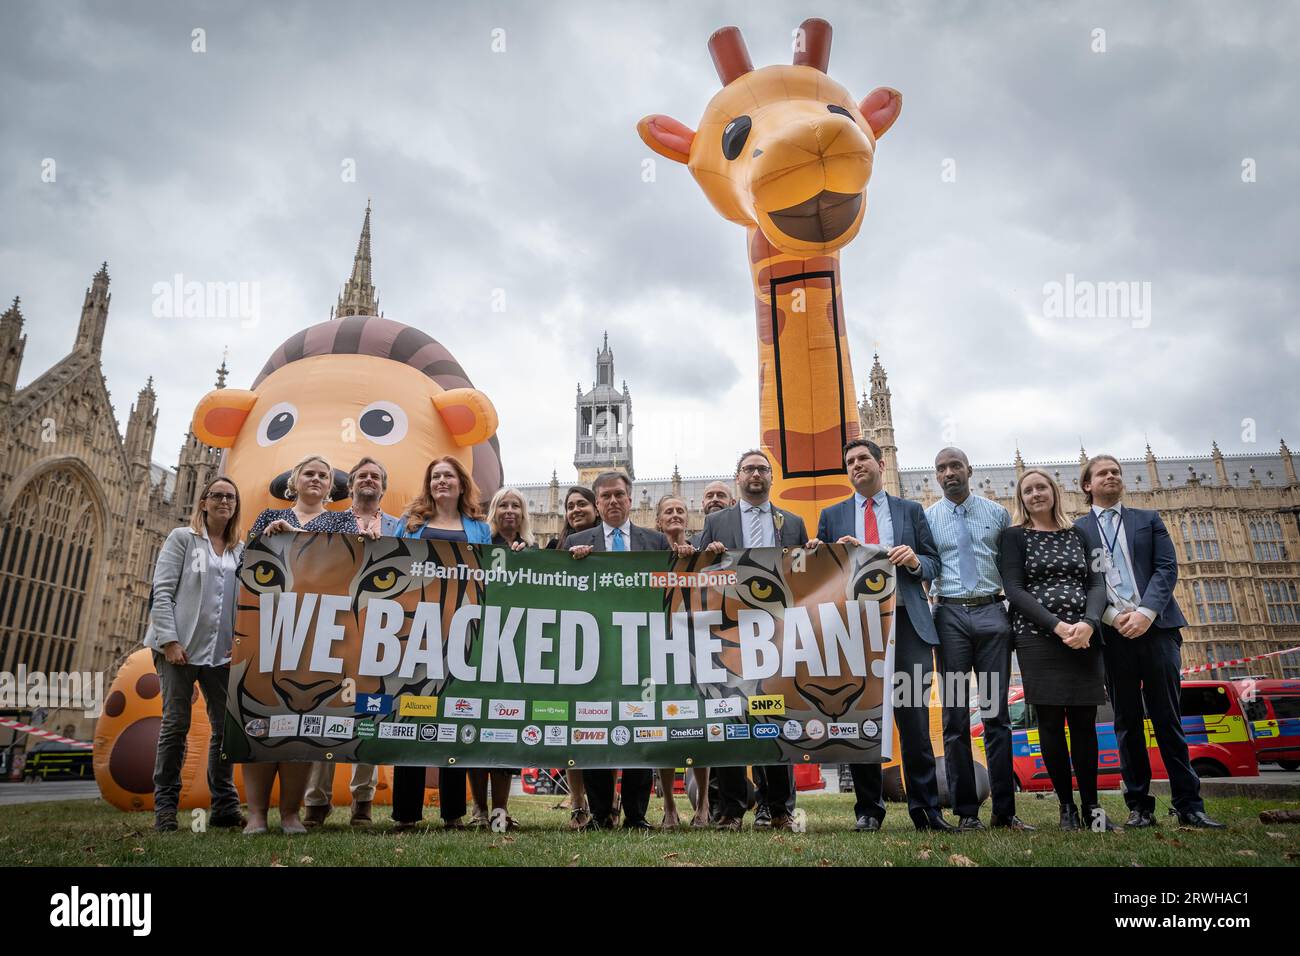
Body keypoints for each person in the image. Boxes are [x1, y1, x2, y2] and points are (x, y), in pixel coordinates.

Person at [809, 439, 952, 832]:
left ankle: (925, 809)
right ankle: (869, 810)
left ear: (880, 462)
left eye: (863, 459)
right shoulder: (833, 515)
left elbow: (933, 563)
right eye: (850, 461)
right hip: (856, 628)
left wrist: (914, 560)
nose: (856, 466)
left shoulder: (910, 509)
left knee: (914, 719)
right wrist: (819, 551)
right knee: (860, 717)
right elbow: (822, 571)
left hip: (906, 623)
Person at [1075, 455, 1225, 829]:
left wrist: (1145, 613)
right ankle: (1140, 806)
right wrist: (1112, 617)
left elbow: (1166, 568)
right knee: (1127, 722)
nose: (1112, 476)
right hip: (1112, 634)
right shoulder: (1077, 530)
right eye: (1102, 473)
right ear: (1086, 485)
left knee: (1168, 719)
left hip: (1156, 629)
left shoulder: (1148, 519)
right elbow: (1081, 584)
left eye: (1116, 471)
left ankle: (1189, 804)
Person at [243, 454, 358, 834]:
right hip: (269, 628)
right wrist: (266, 538)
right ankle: (257, 815)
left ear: (331, 485)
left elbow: (353, 562)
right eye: (309, 473)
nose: (316, 479)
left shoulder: (342, 521)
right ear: (294, 481)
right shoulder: (268, 517)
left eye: (323, 475)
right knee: (262, 720)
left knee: (302, 727)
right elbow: (248, 563)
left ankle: (290, 813)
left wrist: (367, 540)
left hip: (317, 632)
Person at [697, 451, 809, 831]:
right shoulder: (715, 522)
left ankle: (776, 807)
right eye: (749, 469)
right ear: (738, 477)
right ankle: (729, 810)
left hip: (777, 633)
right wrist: (706, 556)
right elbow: (700, 575)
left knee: (773, 716)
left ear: (771, 478)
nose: (756, 474)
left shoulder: (792, 523)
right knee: (730, 718)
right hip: (729, 633)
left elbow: (807, 578)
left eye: (763, 469)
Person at [924, 447, 1030, 831]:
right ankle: (967, 813)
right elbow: (924, 569)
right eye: (942, 469)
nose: (949, 473)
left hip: (990, 613)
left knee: (996, 716)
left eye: (955, 466)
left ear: (969, 469)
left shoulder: (997, 513)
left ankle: (1005, 811)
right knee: (954, 718)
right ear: (936, 476)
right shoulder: (928, 517)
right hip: (949, 615)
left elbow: (1012, 570)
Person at [1000, 469, 1112, 831]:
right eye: (1028, 490)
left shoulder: (1083, 534)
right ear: (1022, 498)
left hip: (1083, 636)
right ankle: (1067, 808)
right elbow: (1014, 589)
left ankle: (1093, 808)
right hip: (1037, 637)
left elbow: (1098, 581)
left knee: (1084, 724)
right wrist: (1057, 625)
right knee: (1049, 723)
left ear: (1054, 492)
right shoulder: (1013, 537)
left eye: (1041, 487)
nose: (1036, 494)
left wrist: (1089, 624)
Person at [391, 455, 493, 831]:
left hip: (461, 628)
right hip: (415, 628)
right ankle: (406, 813)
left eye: (448, 476)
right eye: (435, 477)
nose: (442, 482)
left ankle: (453, 812)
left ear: (461, 483)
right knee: (411, 715)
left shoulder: (479, 528)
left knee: (455, 712)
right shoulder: (412, 524)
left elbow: (490, 571)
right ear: (429, 484)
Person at [568, 471, 670, 829]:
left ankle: (637, 815)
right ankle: (599, 813)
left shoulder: (655, 541)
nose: (613, 501)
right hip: (595, 650)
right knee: (595, 730)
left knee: (641, 730)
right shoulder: (578, 542)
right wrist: (572, 562)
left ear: (630, 499)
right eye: (605, 496)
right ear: (597, 504)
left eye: (619, 495)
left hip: (642, 647)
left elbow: (672, 588)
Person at [303, 457, 400, 828]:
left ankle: (363, 800)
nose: (369, 480)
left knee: (370, 715)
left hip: (380, 632)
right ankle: (317, 800)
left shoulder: (398, 526)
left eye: (375, 476)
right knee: (325, 712)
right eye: (362, 475)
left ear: (383, 486)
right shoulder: (329, 522)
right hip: (333, 627)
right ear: (351, 484)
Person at [144, 476, 245, 833]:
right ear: (203, 502)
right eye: (217, 495)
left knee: (225, 731)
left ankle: (225, 806)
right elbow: (163, 591)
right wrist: (169, 640)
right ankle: (166, 809)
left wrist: (240, 640)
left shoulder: (239, 550)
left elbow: (247, 599)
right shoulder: (182, 539)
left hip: (220, 655)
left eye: (230, 497)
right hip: (180, 650)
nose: (224, 501)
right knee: (176, 726)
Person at [468, 486, 537, 831]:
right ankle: (479, 808)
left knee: (507, 732)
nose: (510, 510)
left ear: (525, 513)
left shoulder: (535, 551)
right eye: (503, 504)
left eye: (516, 505)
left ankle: (500, 809)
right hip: (479, 643)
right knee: (477, 729)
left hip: (517, 649)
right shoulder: (480, 547)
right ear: (493, 511)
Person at [652, 494, 711, 828]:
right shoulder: (648, 553)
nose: (675, 515)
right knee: (661, 728)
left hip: (696, 644)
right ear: (657, 521)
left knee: (700, 726)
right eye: (668, 512)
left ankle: (703, 806)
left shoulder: (703, 550)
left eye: (680, 511)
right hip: (659, 643)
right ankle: (670, 808)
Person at [544, 486, 600, 826]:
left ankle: (606, 801)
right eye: (569, 506)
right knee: (571, 729)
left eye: (582, 503)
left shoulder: (611, 546)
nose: (576, 510)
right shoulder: (553, 548)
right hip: (568, 647)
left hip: (605, 641)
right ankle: (578, 801)